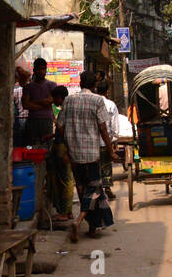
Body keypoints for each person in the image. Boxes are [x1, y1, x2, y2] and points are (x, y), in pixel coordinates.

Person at [57, 70, 114, 242]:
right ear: (94, 85)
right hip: (91, 154)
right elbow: (103, 128)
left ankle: (92, 227)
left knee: (82, 188)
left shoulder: (69, 100)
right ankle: (79, 219)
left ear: (80, 83)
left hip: (74, 154)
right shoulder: (97, 100)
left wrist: (68, 144)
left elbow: (60, 126)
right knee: (94, 189)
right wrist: (111, 150)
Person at [46, 85, 74, 225]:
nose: (52, 101)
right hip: (63, 145)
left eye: (54, 98)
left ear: (59, 97)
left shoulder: (65, 109)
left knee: (65, 180)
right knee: (65, 179)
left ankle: (64, 212)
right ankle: (67, 211)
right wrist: (52, 135)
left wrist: (67, 151)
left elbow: (63, 130)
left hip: (63, 147)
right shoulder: (68, 108)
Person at [20, 58, 58, 148]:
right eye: (38, 69)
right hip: (32, 120)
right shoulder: (28, 87)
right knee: (30, 147)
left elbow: (50, 101)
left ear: (46, 70)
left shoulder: (52, 85)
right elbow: (25, 105)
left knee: (47, 147)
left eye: (43, 69)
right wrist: (44, 104)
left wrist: (32, 102)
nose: (41, 71)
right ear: (34, 70)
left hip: (47, 120)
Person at [97, 78, 118, 200]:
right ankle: (107, 187)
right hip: (106, 141)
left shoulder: (94, 102)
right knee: (106, 165)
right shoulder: (111, 105)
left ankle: (97, 188)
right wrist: (115, 140)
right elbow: (114, 124)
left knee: (96, 166)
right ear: (107, 92)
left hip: (93, 141)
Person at [12, 76, 28, 145]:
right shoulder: (30, 90)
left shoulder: (16, 90)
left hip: (19, 117)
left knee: (18, 140)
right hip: (29, 117)